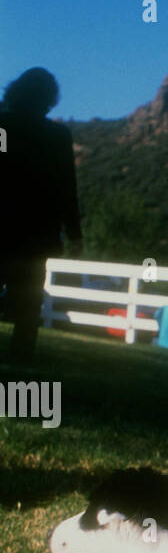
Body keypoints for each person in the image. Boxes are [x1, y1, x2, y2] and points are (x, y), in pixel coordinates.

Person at [0, 67, 82, 363]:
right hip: (37, 232)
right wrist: (74, 234)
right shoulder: (57, 136)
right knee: (30, 299)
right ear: (49, 98)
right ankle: (21, 357)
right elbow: (66, 188)